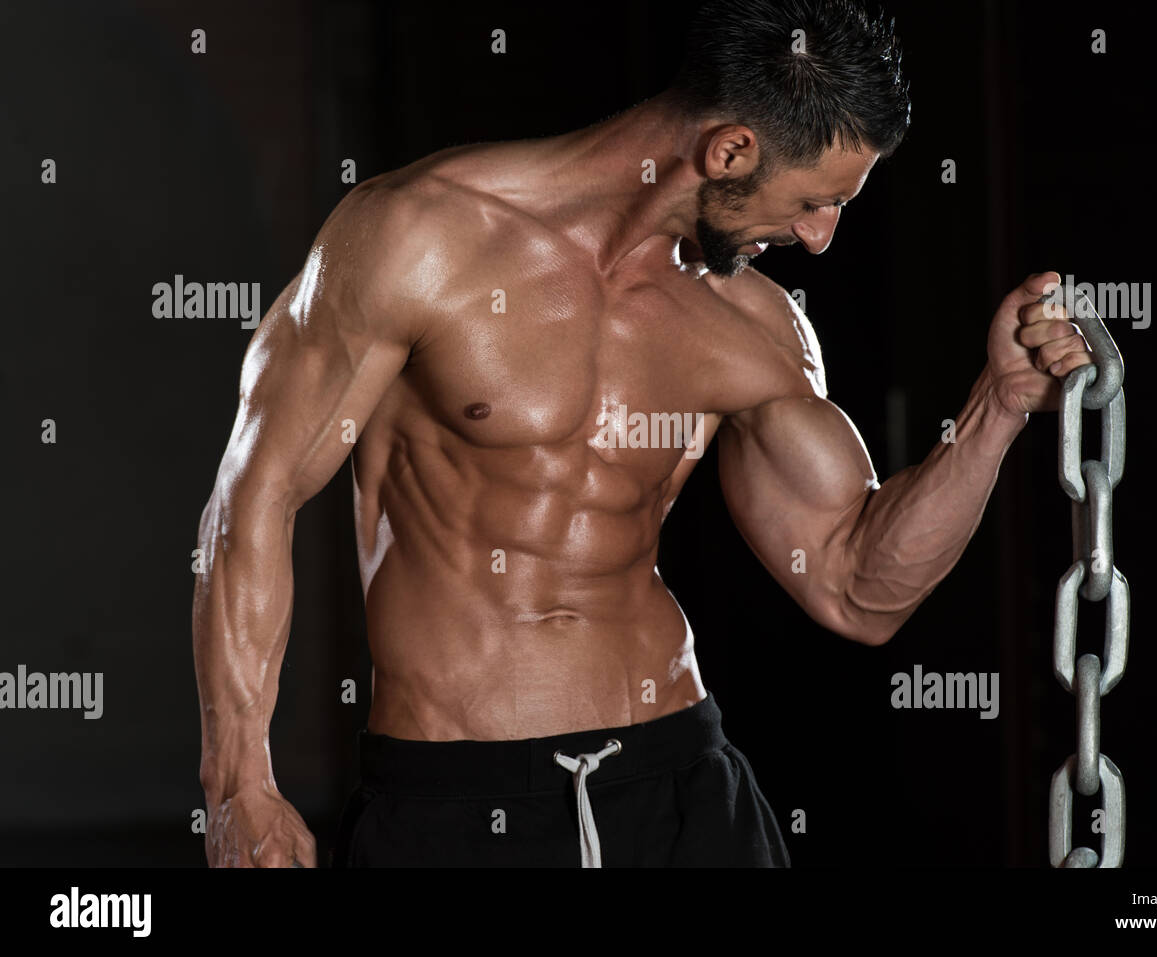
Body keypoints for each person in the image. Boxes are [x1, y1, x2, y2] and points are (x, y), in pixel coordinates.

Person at [193, 0, 1092, 867]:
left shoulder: (756, 326)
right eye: (817, 201)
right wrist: (239, 781)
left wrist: (996, 408)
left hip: (683, 788)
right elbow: (254, 497)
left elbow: (859, 587)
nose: (821, 238)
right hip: (462, 797)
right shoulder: (418, 239)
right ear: (730, 148)